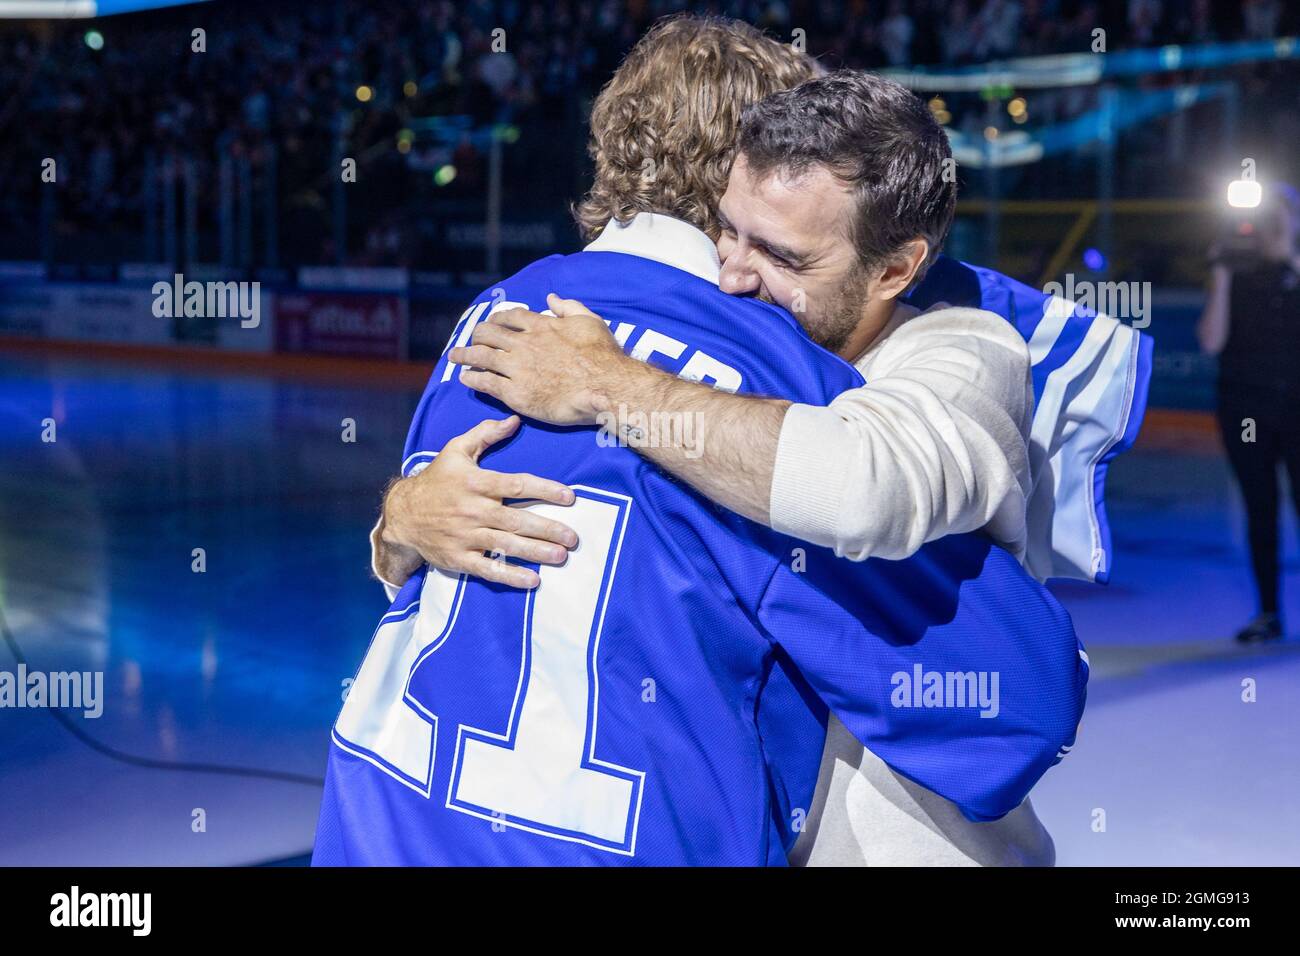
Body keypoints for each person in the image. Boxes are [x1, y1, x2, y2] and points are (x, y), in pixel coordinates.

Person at [314, 16, 1087, 866]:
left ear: (894, 267)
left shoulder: (513, 317)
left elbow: (859, 482)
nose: (735, 276)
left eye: (783, 252)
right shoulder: (688, 352)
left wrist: (610, 385)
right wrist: (400, 524)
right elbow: (1027, 694)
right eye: (733, 231)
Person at [1197, 184, 1300, 643]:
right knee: (1261, 509)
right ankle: (1269, 612)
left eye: (1282, 217)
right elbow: (1211, 342)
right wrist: (1220, 275)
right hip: (1247, 409)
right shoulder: (1235, 270)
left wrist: (1289, 256)